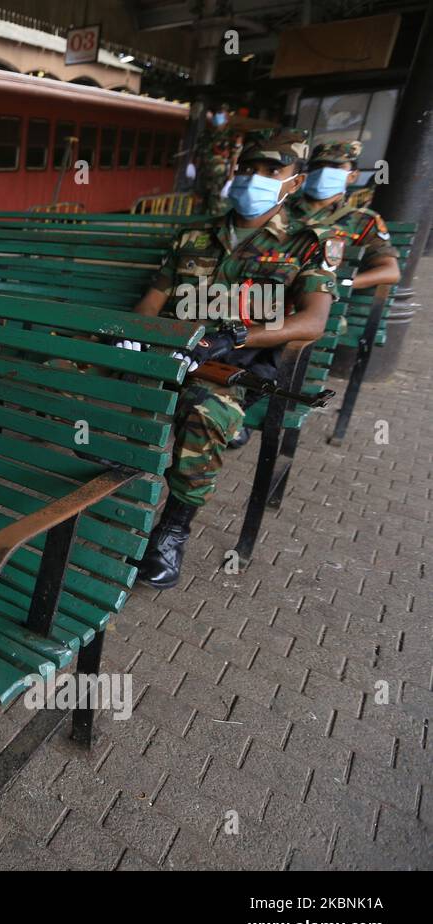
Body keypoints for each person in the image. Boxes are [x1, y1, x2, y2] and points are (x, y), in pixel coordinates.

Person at [129, 129, 339, 588]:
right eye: (248, 168)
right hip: (172, 353)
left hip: (232, 367)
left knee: (207, 412)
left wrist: (241, 335)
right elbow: (152, 300)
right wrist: (140, 340)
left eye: (271, 170)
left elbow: (312, 322)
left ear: (295, 181)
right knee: (88, 378)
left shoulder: (305, 244)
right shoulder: (195, 235)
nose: (254, 178)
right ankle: (109, 488)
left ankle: (172, 529)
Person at [286, 140, 401, 292]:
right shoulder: (281, 207)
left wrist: (335, 286)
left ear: (353, 176)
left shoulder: (363, 220)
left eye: (336, 167)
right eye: (318, 166)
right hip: (269, 293)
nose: (324, 172)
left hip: (317, 302)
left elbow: (390, 272)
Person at [195, 105, 240, 216]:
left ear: (226, 117)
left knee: (215, 208)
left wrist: (230, 178)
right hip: (204, 175)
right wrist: (193, 166)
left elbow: (234, 157)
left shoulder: (231, 136)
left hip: (220, 179)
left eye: (221, 113)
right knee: (199, 206)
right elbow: (199, 153)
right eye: (217, 113)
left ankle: (212, 231)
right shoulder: (206, 134)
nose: (218, 117)